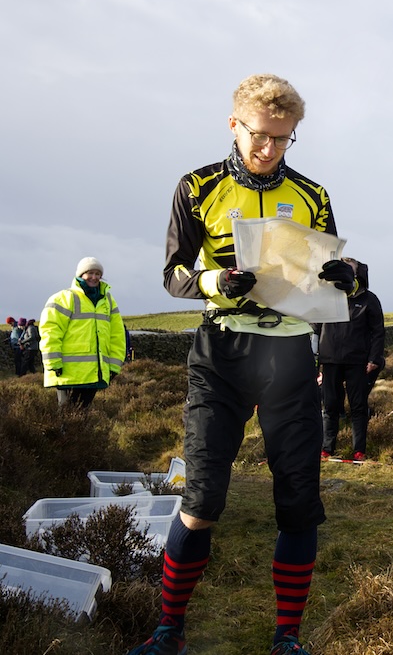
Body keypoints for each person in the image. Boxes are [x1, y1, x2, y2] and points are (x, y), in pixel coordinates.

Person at [131, 73, 356, 655]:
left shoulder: (313, 195)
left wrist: (348, 278)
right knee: (202, 500)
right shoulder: (196, 186)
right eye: (260, 135)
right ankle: (169, 631)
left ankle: (287, 637)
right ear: (234, 124)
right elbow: (173, 273)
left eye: (284, 138)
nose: (270, 148)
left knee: (299, 504)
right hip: (223, 353)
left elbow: (330, 272)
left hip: (290, 352)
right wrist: (215, 280)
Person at [312, 258, 384, 460]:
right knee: (330, 406)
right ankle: (327, 448)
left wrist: (374, 358)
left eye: (350, 270)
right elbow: (315, 329)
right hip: (330, 360)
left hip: (357, 360)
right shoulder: (326, 298)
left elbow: (378, 332)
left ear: (358, 273)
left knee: (358, 406)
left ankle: (359, 450)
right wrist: (315, 363)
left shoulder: (369, 299)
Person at [41, 257, 127, 410]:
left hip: (94, 373)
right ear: (81, 275)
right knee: (67, 414)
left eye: (97, 274)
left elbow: (117, 335)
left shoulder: (108, 301)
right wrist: (52, 362)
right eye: (90, 273)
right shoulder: (64, 298)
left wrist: (114, 366)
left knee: (82, 415)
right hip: (67, 373)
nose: (94, 277)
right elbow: (50, 331)